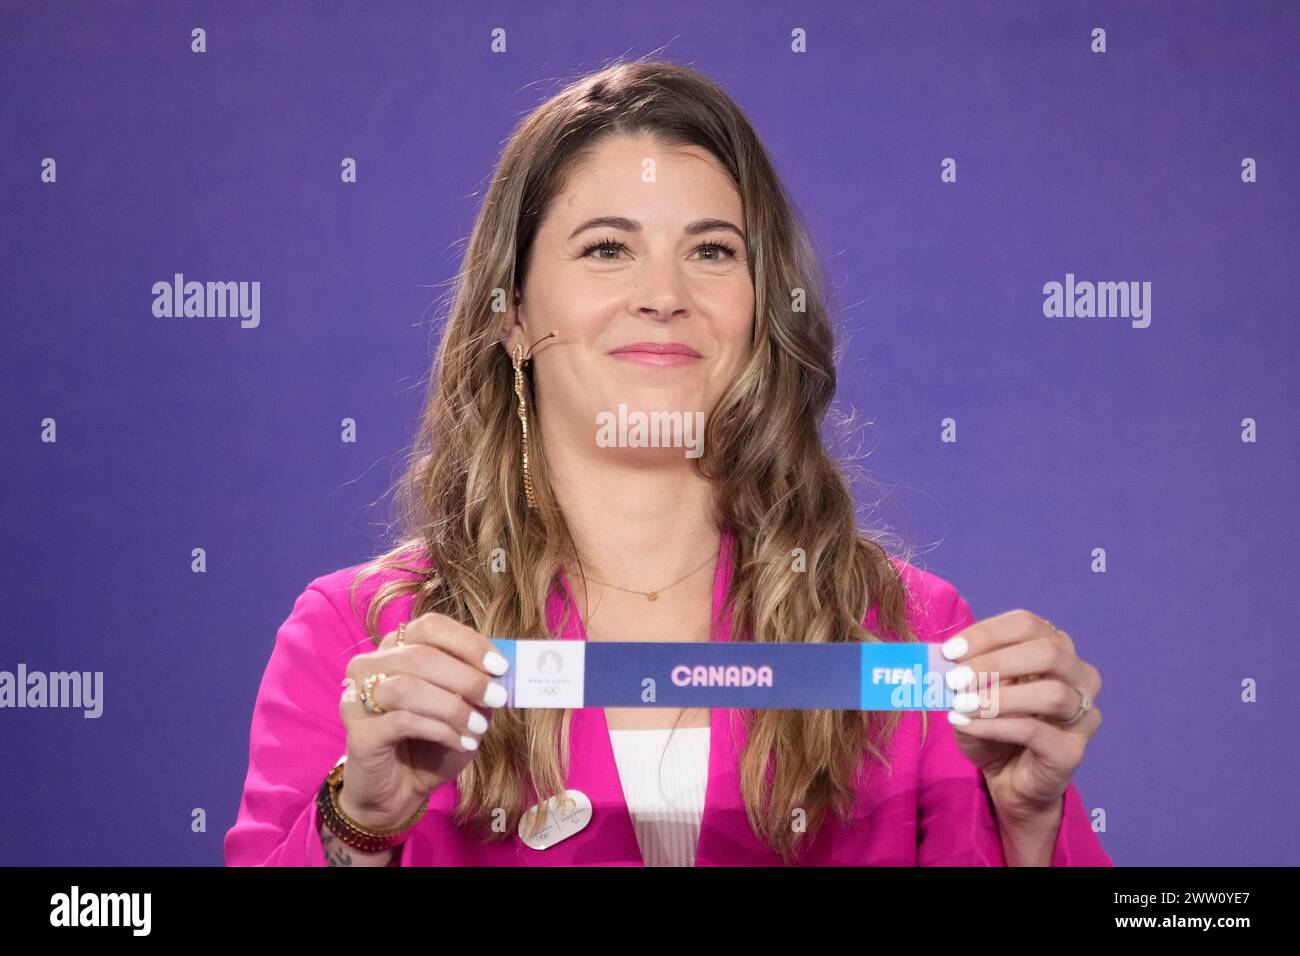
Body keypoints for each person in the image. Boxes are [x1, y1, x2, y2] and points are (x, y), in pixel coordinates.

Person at [224, 58, 1110, 867]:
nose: (663, 297)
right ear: (511, 317)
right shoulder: (361, 634)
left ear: (763, 312)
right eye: (607, 248)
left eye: (712, 252)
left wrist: (1029, 826)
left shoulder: (911, 631)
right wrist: (361, 825)